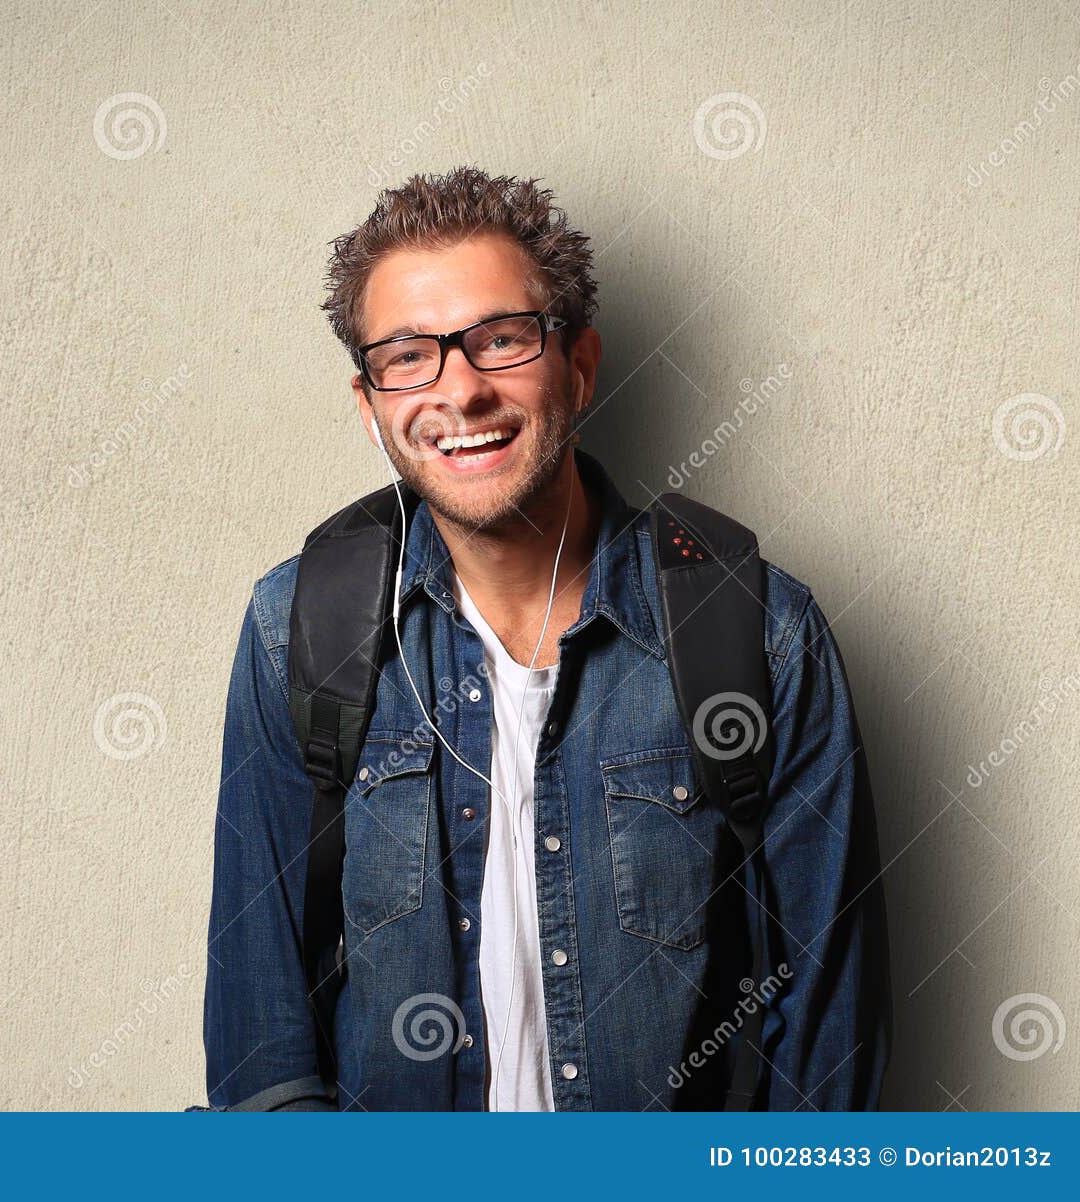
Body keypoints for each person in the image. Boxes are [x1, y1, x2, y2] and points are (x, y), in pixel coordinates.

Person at [202, 166, 891, 1111]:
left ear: (579, 366)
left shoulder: (758, 634)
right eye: (408, 355)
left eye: (501, 339)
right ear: (370, 405)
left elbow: (827, 1047)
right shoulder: (299, 630)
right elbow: (263, 1033)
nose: (460, 390)